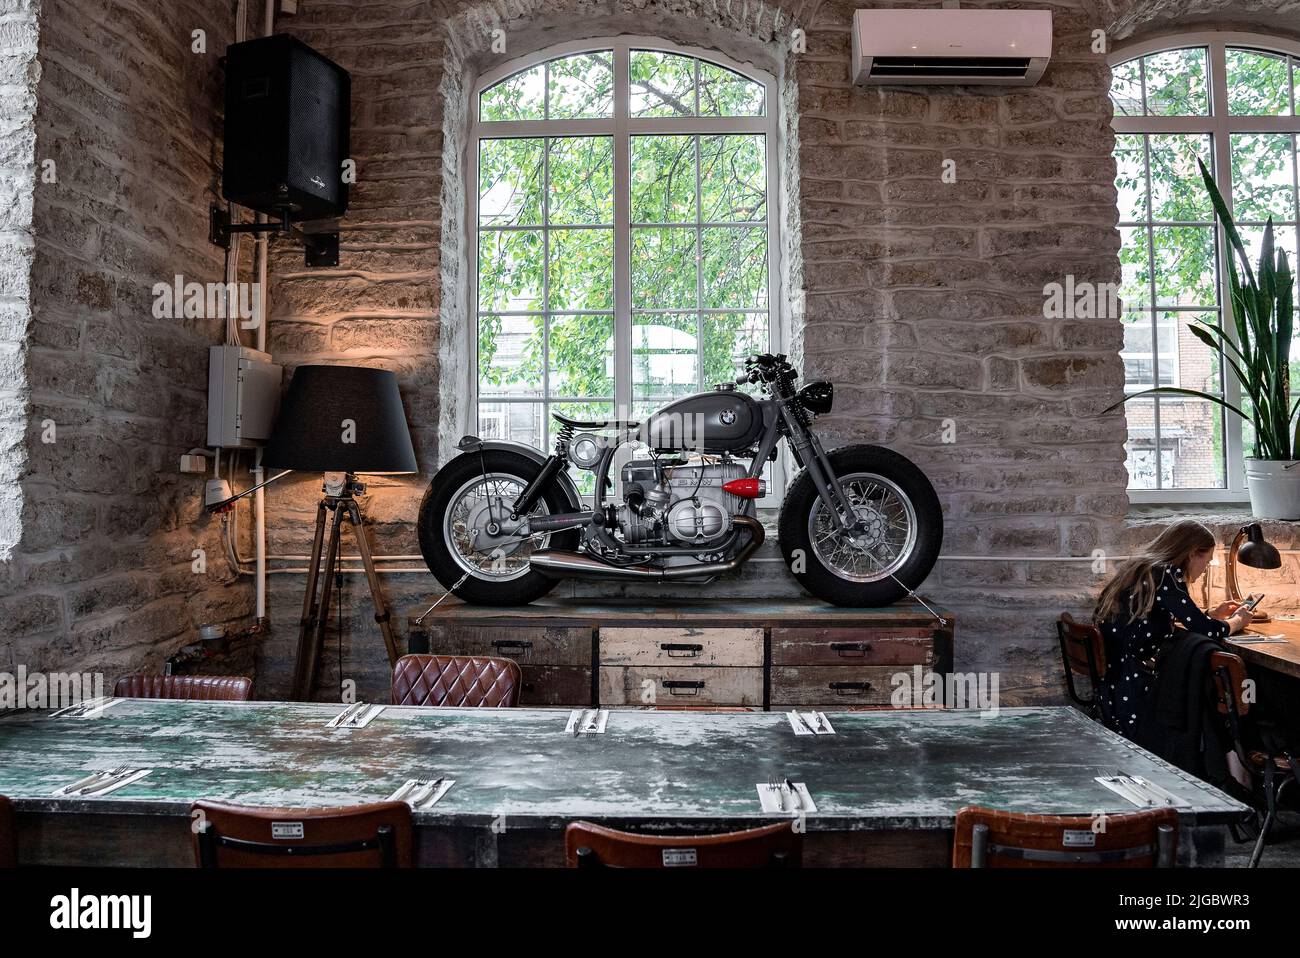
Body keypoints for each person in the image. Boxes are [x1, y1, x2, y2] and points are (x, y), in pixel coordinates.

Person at [1092, 520, 1253, 743]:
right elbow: (1210, 633)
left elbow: (1150, 617)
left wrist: (1210, 614)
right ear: (1192, 554)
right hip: (1138, 682)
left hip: (1115, 677)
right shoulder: (1166, 574)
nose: (1204, 571)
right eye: (1205, 563)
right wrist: (1238, 621)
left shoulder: (1142, 567)